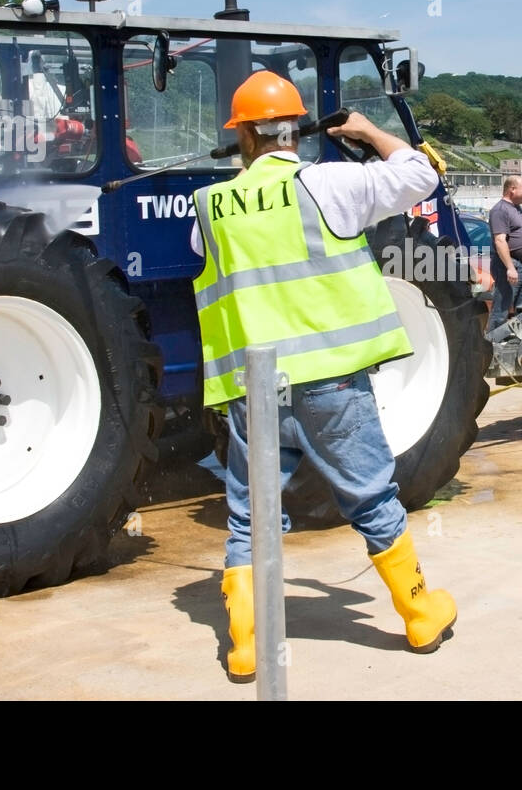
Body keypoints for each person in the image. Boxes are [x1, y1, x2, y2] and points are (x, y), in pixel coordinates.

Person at [189, 70, 457, 683]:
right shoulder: (328, 184)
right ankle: (418, 613)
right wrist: (366, 130)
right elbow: (421, 176)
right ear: (292, 131)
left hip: (254, 391)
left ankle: (245, 644)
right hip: (329, 381)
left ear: (243, 138)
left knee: (249, 514)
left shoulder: (210, 206)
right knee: (369, 495)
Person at [488, 176, 522, 332]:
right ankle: (493, 344)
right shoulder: (500, 210)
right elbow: (500, 240)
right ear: (512, 189)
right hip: (510, 264)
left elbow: (521, 229)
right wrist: (510, 268)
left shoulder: (516, 208)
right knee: (502, 308)